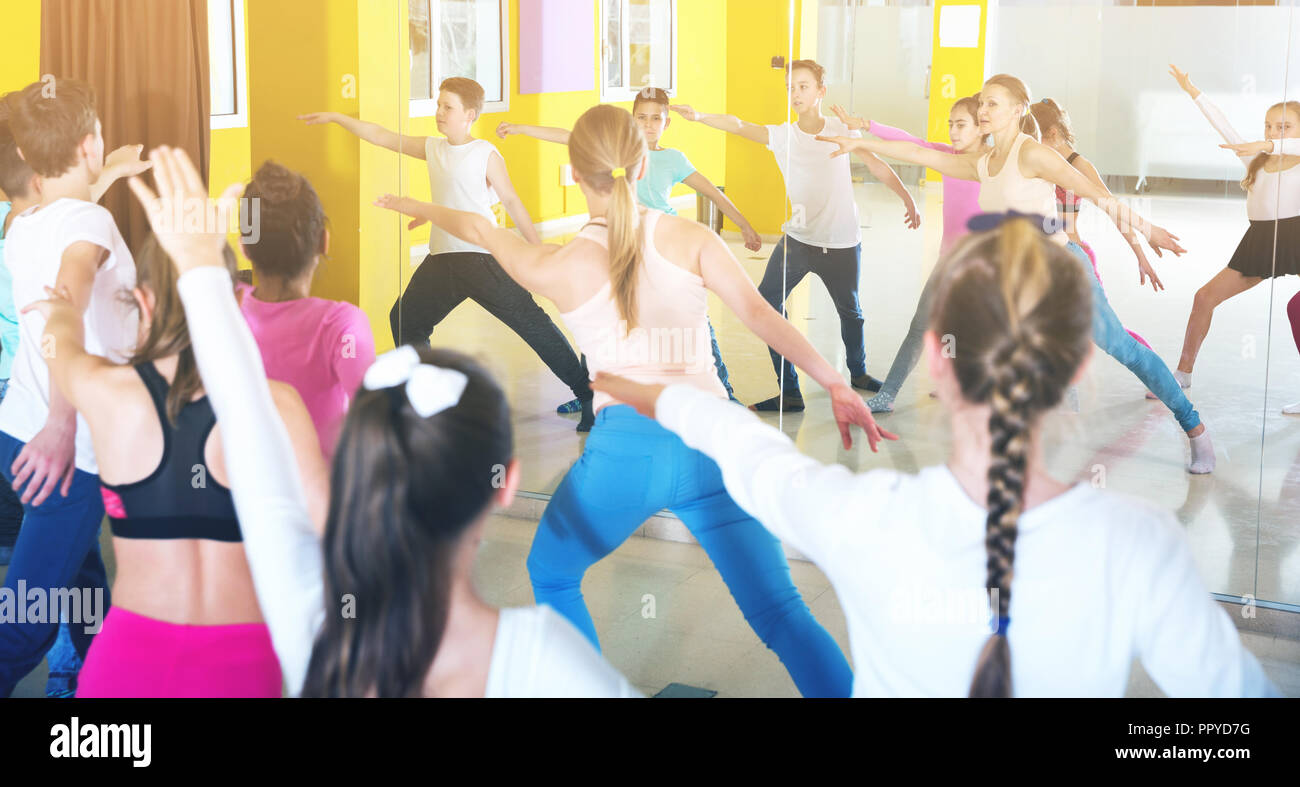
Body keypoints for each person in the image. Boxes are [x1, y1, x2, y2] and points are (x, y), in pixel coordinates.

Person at [593, 216, 1279, 697]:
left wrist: (629, 384)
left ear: (938, 362)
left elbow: (737, 439)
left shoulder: (863, 515)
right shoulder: (1140, 545)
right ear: (1077, 370)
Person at [376, 103, 898, 698]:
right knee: (781, 613)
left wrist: (414, 206)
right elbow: (760, 314)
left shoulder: (556, 263)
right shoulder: (691, 237)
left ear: (574, 176)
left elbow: (475, 228)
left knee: (551, 575)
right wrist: (833, 380)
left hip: (626, 456)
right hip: (712, 443)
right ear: (643, 161)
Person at [127, 144, 639, 698]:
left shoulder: (308, 614)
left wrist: (201, 271)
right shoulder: (546, 659)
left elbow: (246, 405)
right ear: (505, 482)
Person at [818, 73, 1216, 474]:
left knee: (1123, 349)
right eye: (982, 103)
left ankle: (1195, 429)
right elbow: (920, 154)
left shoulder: (1032, 155)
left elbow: (1098, 195)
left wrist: (1149, 232)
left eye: (993, 103)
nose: (984, 110)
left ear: (1018, 110)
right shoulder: (983, 161)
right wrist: (858, 143)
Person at [23, 237, 328, 696]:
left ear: (142, 302)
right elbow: (333, 534)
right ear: (231, 301)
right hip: (243, 661)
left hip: (130, 655)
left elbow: (57, 347)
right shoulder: (277, 405)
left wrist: (63, 314)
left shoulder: (104, 391)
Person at [300, 77, 594, 430]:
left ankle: (587, 392)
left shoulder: (484, 153)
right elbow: (382, 136)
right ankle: (427, 394)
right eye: (438, 105)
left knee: (533, 326)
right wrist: (337, 118)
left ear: (469, 114)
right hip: (441, 259)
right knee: (404, 319)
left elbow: (512, 201)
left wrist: (534, 248)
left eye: (447, 106)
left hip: (483, 258)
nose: (439, 112)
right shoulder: (432, 148)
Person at [0, 79, 145, 696]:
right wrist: (64, 423)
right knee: (23, 624)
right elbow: (74, 285)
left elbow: (64, 213)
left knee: (78, 567)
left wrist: (103, 169)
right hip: (67, 451)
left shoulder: (20, 219)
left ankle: (92, 672)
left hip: (16, 432)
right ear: (88, 143)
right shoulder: (91, 222)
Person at [670, 59, 921, 411]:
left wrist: (908, 197)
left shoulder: (842, 129)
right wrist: (700, 117)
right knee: (767, 303)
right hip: (800, 240)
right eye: (790, 87)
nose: (795, 93)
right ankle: (789, 392)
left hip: (841, 241)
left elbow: (877, 163)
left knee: (851, 312)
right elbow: (740, 126)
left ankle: (859, 373)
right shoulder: (783, 136)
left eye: (803, 86)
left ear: (820, 92)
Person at [497, 87, 761, 403]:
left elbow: (713, 193)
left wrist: (744, 225)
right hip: (617, 242)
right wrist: (519, 128)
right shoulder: (614, 151)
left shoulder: (673, 159)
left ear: (667, 123)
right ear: (631, 120)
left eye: (656, 119)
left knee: (692, 321)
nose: (648, 125)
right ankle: (589, 395)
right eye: (641, 118)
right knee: (599, 318)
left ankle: (724, 392)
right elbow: (567, 135)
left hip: (660, 248)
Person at [825, 96, 987, 412]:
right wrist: (865, 127)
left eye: (961, 124)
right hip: (949, 260)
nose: (953, 131)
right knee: (922, 326)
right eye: (950, 123)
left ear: (982, 127)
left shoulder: (993, 163)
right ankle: (888, 394)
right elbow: (911, 144)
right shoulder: (945, 155)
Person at [1167, 65, 1300, 410]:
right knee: (1204, 297)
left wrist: (1272, 142)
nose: (1272, 132)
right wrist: (1192, 90)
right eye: (1268, 126)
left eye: (1283, 127)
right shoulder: (1256, 160)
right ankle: (1182, 374)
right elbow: (1221, 123)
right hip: (1260, 239)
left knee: (1297, 309)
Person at [236, 161, 376, 459]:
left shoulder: (223, 311)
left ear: (244, 248)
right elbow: (377, 425)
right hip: (321, 498)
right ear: (324, 241)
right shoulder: (341, 325)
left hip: (235, 498)